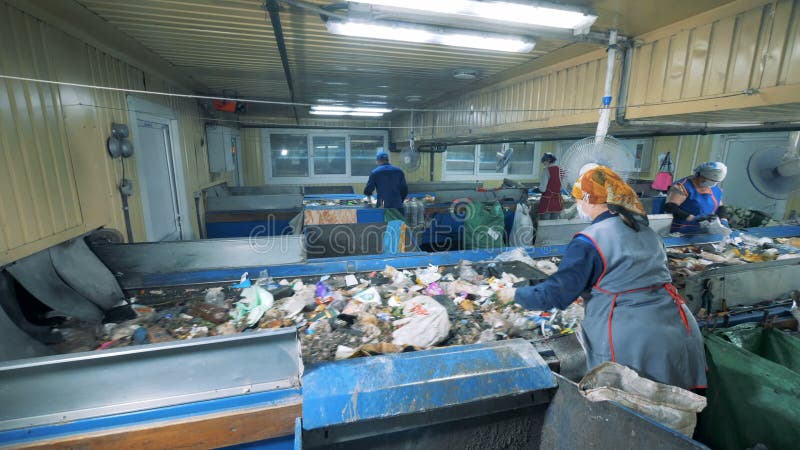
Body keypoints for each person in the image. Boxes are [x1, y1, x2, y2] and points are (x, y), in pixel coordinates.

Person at [498, 166, 706, 390]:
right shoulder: (647, 232)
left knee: (635, 408)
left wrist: (514, 294)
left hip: (635, 339)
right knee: (676, 408)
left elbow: (556, 294)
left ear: (590, 199)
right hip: (677, 326)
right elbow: (629, 276)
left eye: (579, 199)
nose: (578, 205)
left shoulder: (590, 239)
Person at [665, 162, 729, 234]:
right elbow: (671, 207)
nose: (712, 184)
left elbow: (720, 206)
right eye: (710, 180)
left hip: (706, 230)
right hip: (682, 230)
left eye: (715, 182)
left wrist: (723, 219)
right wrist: (694, 218)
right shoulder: (683, 186)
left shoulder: (714, 188)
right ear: (700, 175)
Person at [538, 153, 563, 220]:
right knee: (553, 226)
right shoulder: (561, 170)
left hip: (547, 201)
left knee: (545, 226)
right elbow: (561, 186)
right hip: (557, 201)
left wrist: (537, 189)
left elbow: (543, 189)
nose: (543, 163)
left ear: (548, 161)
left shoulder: (546, 170)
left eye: (544, 162)